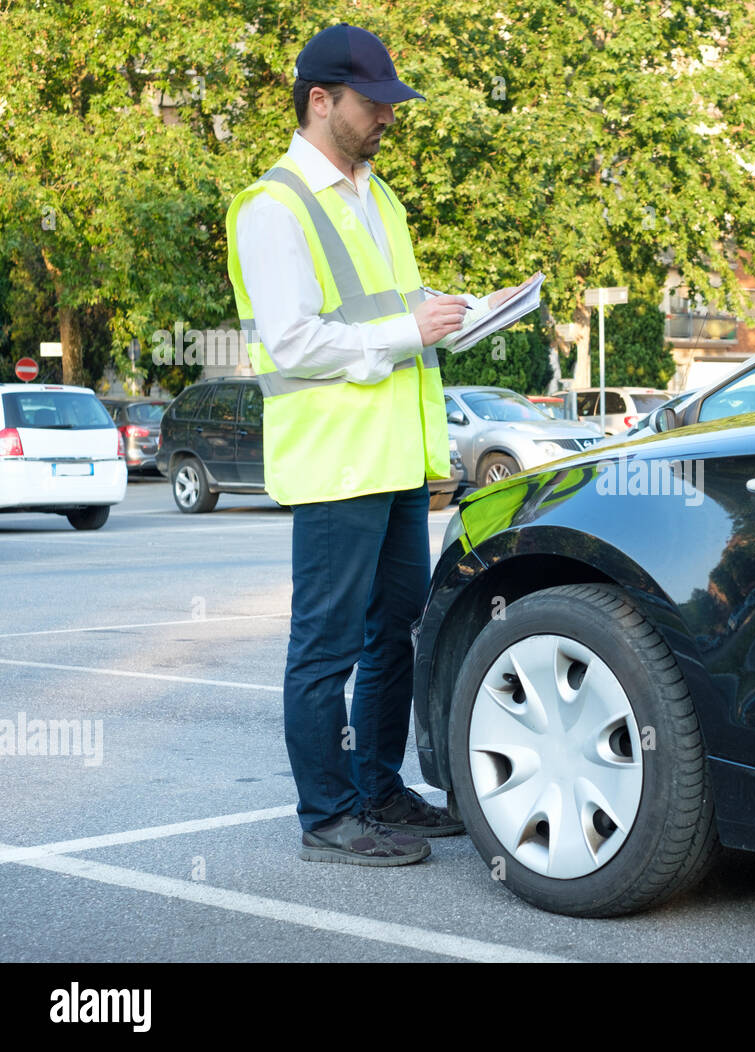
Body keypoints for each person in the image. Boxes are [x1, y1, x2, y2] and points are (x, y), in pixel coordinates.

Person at [225, 23, 518, 866]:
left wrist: (465, 312)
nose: (388, 117)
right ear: (322, 101)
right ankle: (327, 816)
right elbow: (291, 341)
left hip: (394, 457)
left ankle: (380, 789)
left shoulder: (374, 194)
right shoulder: (272, 207)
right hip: (331, 460)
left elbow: (397, 307)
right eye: (374, 103)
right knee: (323, 644)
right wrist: (403, 331)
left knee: (395, 630)